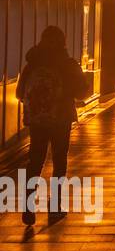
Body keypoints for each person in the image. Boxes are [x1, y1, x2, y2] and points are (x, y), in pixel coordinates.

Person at [16, 25, 89, 226]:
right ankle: (55, 207)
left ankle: (29, 207)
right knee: (59, 162)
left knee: (35, 161)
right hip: (61, 118)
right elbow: (83, 91)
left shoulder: (31, 64)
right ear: (63, 42)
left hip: (38, 119)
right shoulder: (67, 64)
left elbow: (19, 93)